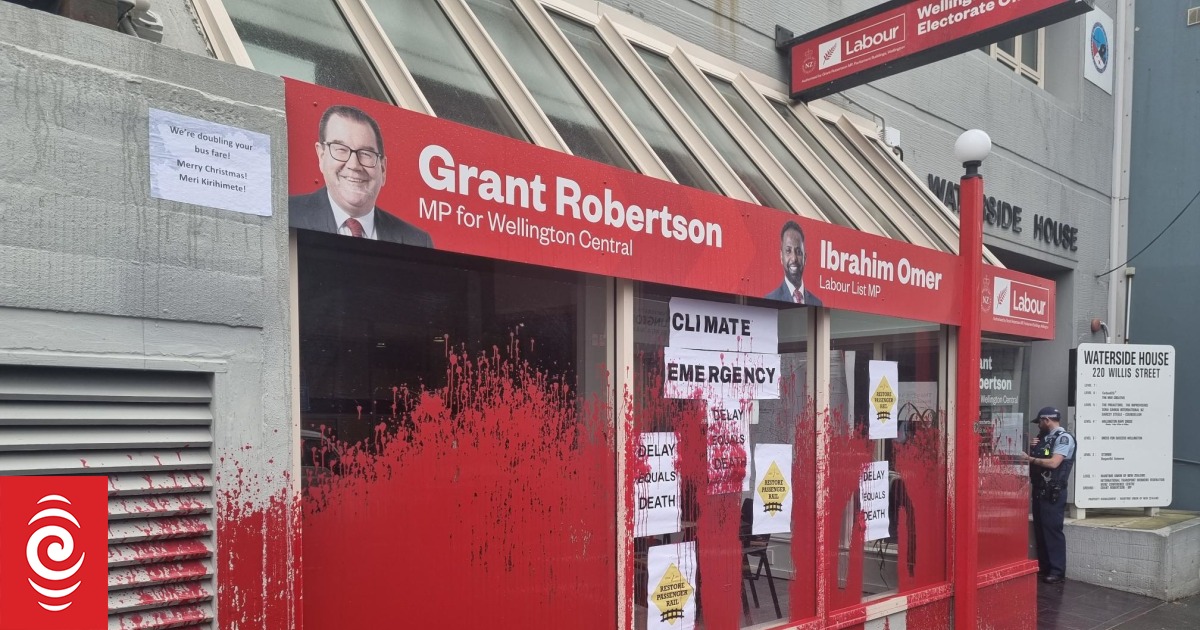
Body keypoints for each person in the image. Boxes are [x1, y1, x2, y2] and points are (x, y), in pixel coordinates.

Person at [290, 105, 432, 247]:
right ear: (321, 156)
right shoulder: (287, 213)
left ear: (383, 169)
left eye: (365, 154)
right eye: (341, 150)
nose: (354, 165)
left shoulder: (417, 240)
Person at [1020, 406, 1076, 584]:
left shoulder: (1064, 438)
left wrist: (1029, 458)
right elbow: (1046, 456)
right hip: (1040, 489)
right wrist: (1036, 449)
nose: (1039, 426)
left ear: (1047, 420)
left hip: (1053, 491)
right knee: (1041, 530)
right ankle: (1045, 567)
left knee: (1052, 530)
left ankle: (1057, 570)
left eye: (1040, 422)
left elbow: (1053, 463)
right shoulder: (1047, 439)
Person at [764, 220, 822, 306]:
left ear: (805, 258)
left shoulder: (817, 303)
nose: (794, 258)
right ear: (781, 256)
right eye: (788, 251)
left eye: (798, 252)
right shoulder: (770, 300)